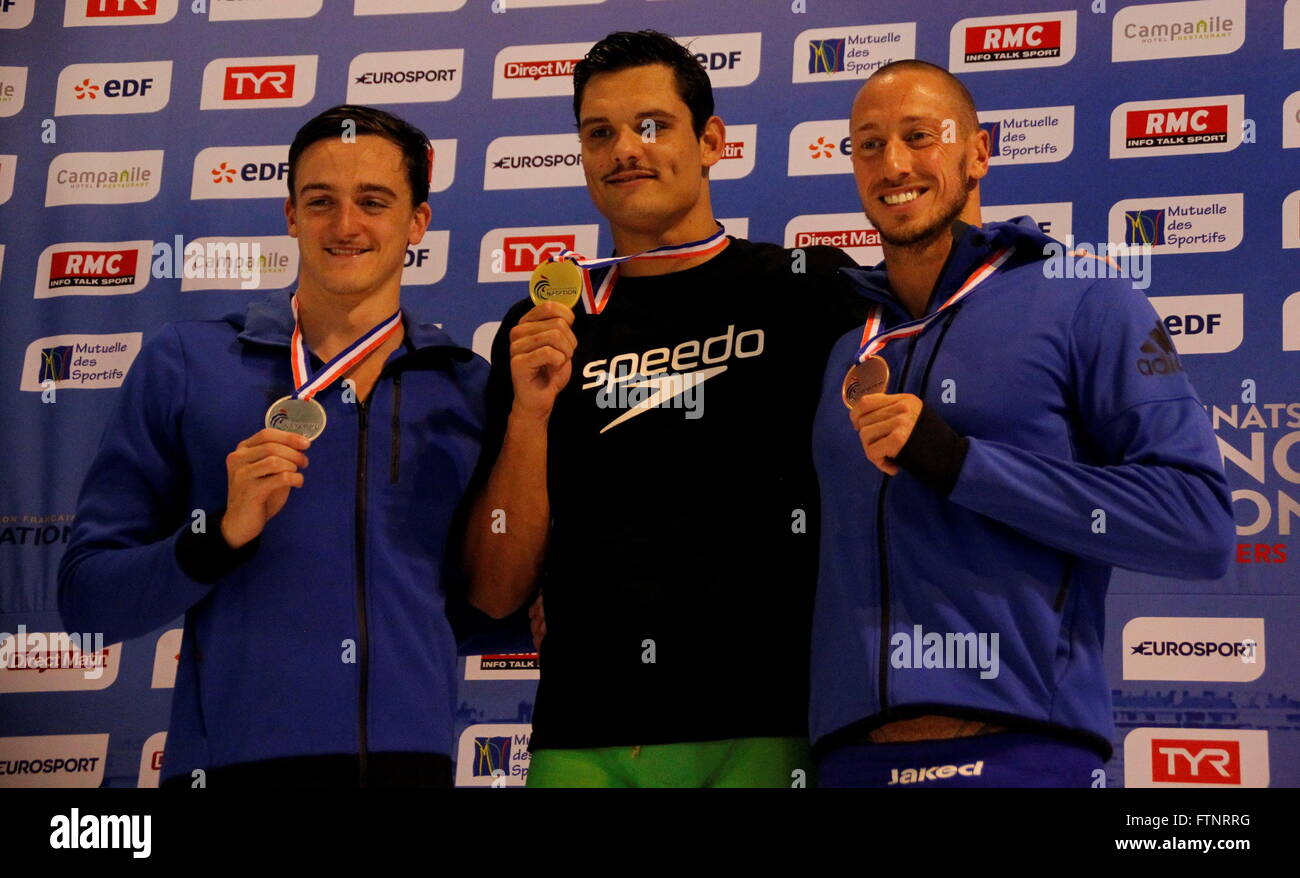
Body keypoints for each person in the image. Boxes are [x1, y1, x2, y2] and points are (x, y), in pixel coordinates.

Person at [461, 30, 870, 788]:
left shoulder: (809, 288)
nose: (626, 149)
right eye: (599, 132)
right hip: (585, 734)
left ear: (712, 140)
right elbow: (494, 591)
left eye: (652, 125)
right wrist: (528, 417)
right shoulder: (543, 325)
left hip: (771, 725)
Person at [809, 60, 1235, 787]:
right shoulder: (847, 342)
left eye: (920, 136)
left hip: (1019, 753)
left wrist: (960, 461)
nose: (895, 164)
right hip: (850, 760)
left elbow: (1198, 525)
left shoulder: (1089, 299)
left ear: (979, 152)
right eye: (870, 144)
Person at [57, 105, 488, 788]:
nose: (345, 226)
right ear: (291, 215)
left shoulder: (467, 389)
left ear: (418, 223)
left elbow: (482, 605)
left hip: (415, 767)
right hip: (234, 769)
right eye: (321, 202)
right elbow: (86, 601)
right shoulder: (187, 363)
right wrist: (216, 538)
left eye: (373, 202)